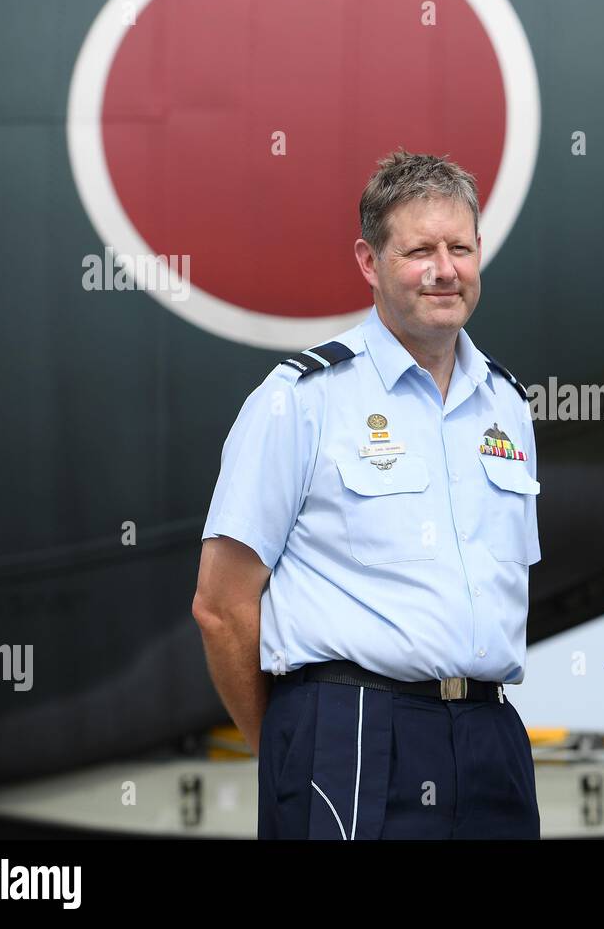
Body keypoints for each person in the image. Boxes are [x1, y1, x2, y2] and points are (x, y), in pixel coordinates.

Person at [191, 150, 542, 839]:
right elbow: (221, 607)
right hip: (349, 732)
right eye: (419, 251)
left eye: (460, 248)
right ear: (368, 261)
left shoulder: (509, 406)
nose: (445, 270)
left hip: (490, 736)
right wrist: (294, 744)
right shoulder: (301, 400)